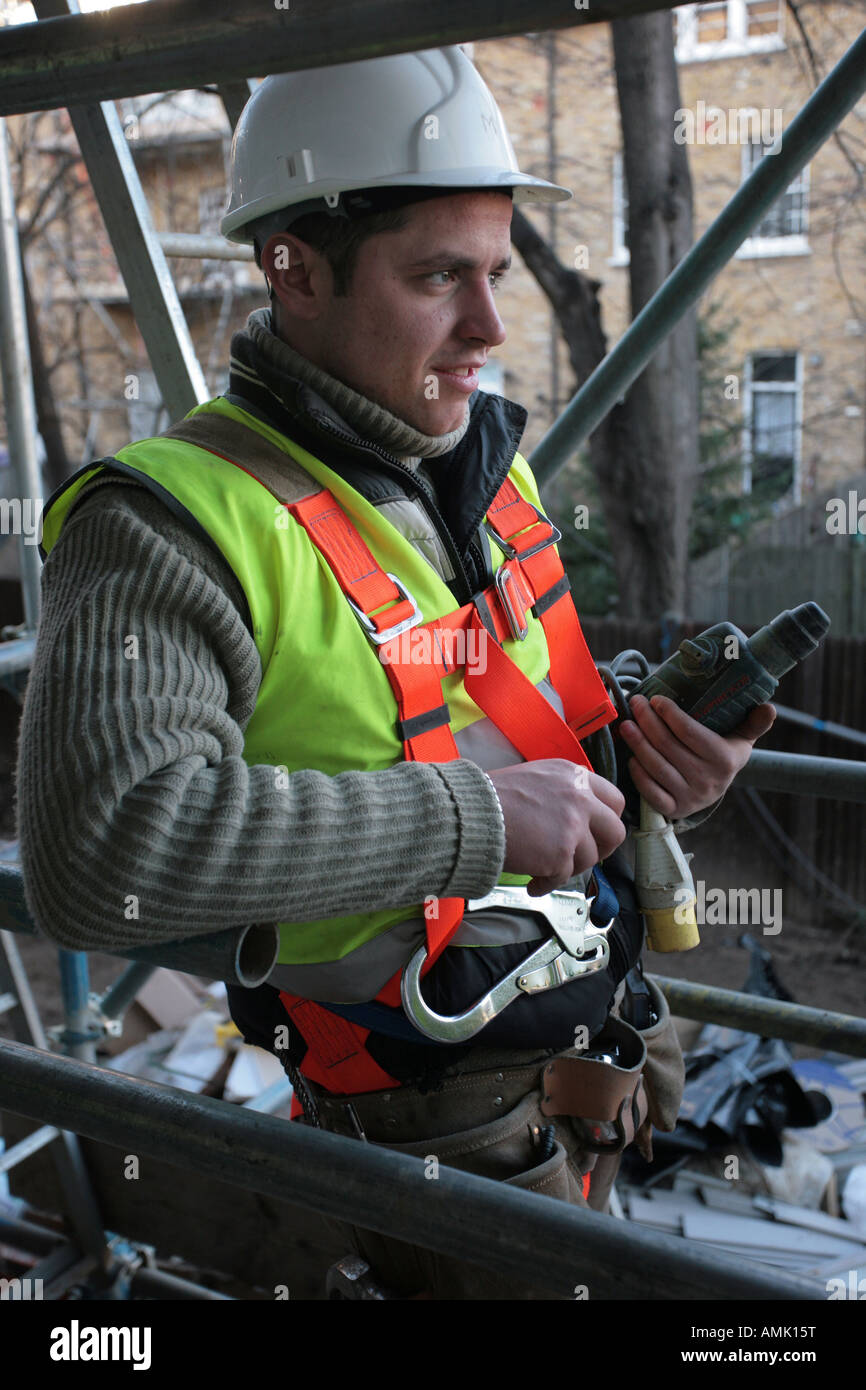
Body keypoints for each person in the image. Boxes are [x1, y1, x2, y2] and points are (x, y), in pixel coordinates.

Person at [18, 48, 775, 1299]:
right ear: (293, 272)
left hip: (599, 1045)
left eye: (493, 270)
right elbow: (105, 854)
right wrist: (481, 822)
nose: (488, 324)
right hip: (430, 1131)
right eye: (439, 277)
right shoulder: (166, 523)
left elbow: (469, 714)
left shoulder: (478, 470)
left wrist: (648, 757)